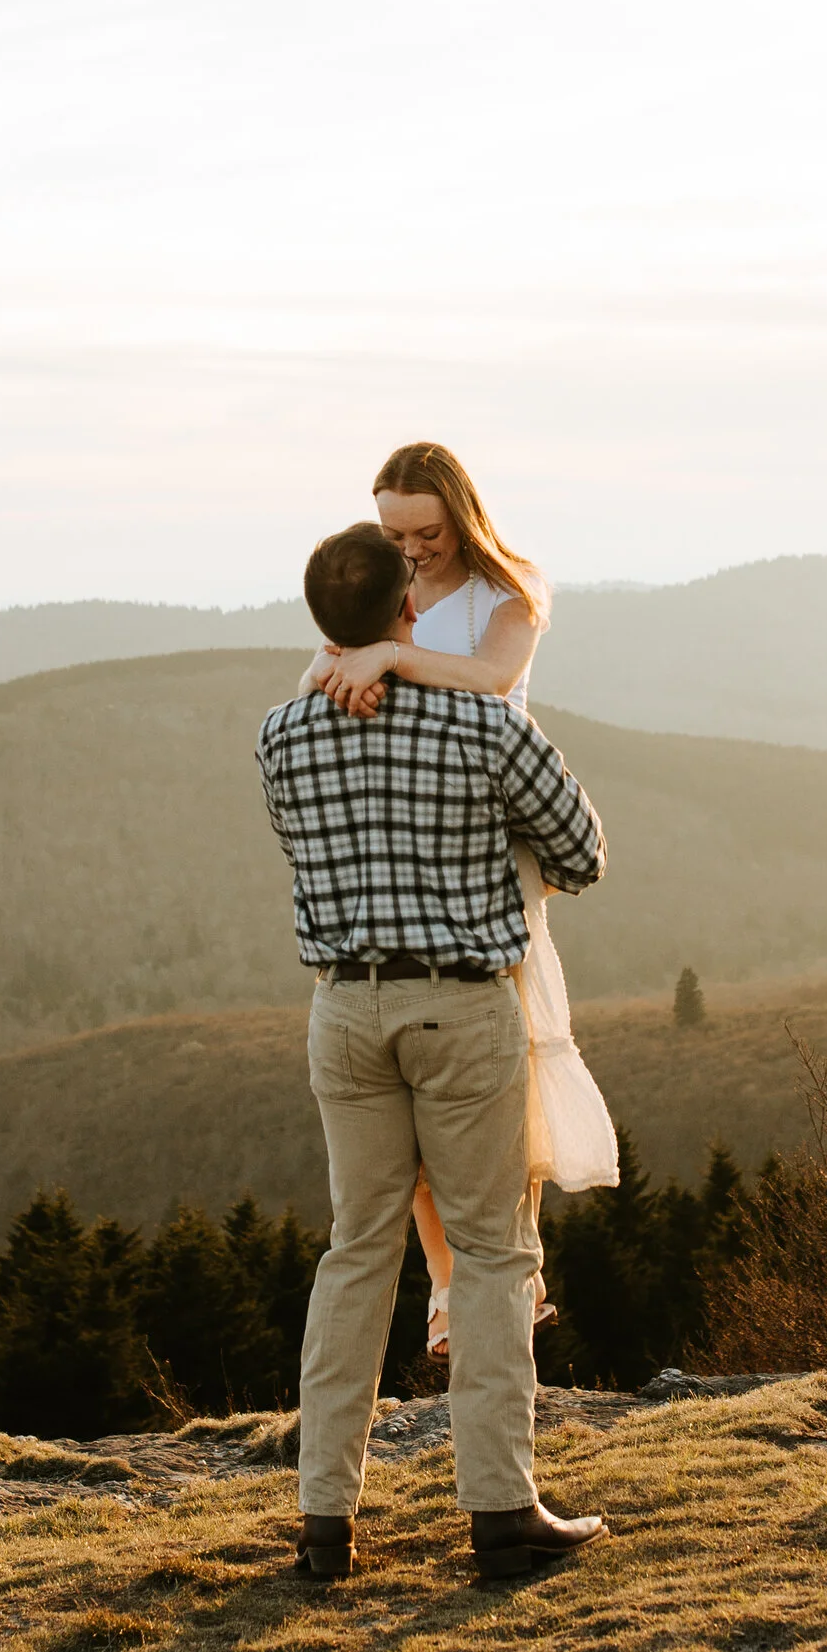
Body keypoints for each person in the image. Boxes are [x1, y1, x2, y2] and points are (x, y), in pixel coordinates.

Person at [258, 519, 611, 1586]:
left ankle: (326, 1521)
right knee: (495, 1254)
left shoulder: (278, 734)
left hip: (342, 1013)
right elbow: (583, 853)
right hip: (461, 1009)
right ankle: (502, 1512)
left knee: (355, 1252)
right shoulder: (483, 723)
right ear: (408, 610)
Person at [303, 442, 621, 1358]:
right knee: (405, 1101)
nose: (409, 551)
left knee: (504, 1064)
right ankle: (448, 1284)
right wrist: (349, 675)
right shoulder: (379, 599)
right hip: (406, 853)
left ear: (462, 517)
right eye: (392, 533)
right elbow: (321, 677)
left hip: (488, 846)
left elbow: (488, 681)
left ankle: (512, 1273)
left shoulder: (507, 597)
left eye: (426, 531)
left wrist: (389, 659)